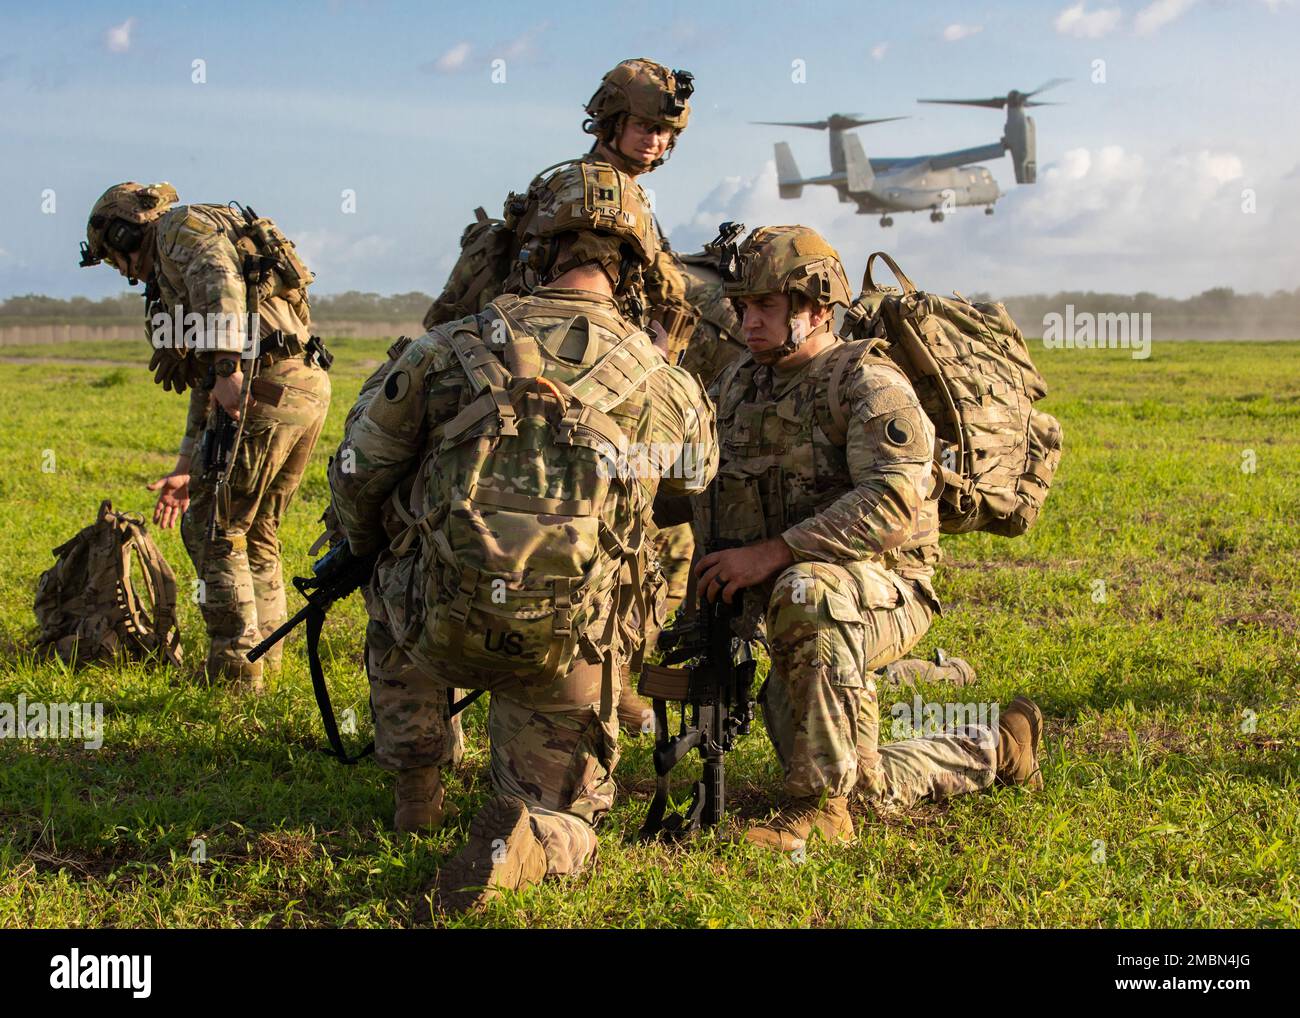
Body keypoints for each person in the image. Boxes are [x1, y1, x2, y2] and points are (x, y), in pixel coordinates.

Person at [327, 161, 717, 907]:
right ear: (635, 268)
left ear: (534, 251)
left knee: (385, 561)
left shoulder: (446, 348)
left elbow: (357, 472)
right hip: (566, 646)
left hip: (435, 625)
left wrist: (370, 542)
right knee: (562, 813)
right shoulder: (669, 387)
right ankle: (531, 843)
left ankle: (417, 785)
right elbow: (690, 493)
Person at [695, 224, 1043, 852]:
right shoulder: (739, 387)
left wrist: (770, 555)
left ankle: (817, 814)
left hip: (888, 587)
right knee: (870, 788)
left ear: (817, 307)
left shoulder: (864, 381)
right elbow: (698, 482)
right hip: (796, 597)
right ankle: (997, 747)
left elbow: (892, 502)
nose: (748, 321)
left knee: (807, 593)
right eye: (743, 307)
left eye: (766, 306)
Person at [421, 58, 701, 735]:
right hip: (567, 385)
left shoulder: (583, 190)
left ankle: (592, 671)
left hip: (567, 383)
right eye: (642, 126)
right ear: (608, 120)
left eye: (666, 132)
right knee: (641, 532)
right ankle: (604, 671)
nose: (655, 141)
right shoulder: (597, 196)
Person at [79, 182, 331, 690]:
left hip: (265, 385)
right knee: (253, 532)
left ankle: (235, 675)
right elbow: (207, 386)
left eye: (115, 260)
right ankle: (266, 664)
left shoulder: (179, 231)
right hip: (299, 384)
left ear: (127, 232)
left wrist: (228, 367)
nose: (125, 274)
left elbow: (221, 290)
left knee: (212, 531)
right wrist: (185, 465)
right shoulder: (196, 251)